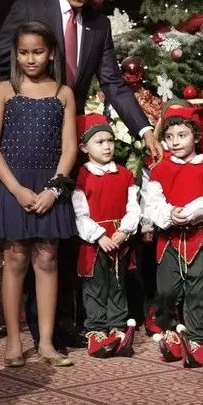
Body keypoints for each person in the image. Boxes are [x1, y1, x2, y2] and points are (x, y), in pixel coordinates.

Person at [0, 0, 162, 346]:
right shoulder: (29, 10)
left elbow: (113, 84)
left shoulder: (98, 24)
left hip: (67, 136)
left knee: (60, 232)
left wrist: (143, 129)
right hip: (24, 132)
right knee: (25, 238)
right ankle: (33, 331)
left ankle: (61, 326)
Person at [0, 22, 78, 367]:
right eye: (23, 52)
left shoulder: (63, 93)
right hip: (13, 184)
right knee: (15, 259)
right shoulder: (4, 90)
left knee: (46, 259)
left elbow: (69, 149)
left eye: (37, 51)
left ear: (51, 52)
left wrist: (53, 189)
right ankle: (13, 342)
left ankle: (47, 343)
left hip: (49, 186)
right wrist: (16, 189)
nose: (30, 58)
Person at [144, 101, 203, 368]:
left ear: (197, 136)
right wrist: (169, 215)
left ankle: (195, 339)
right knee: (167, 290)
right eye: (169, 137)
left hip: (200, 237)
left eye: (182, 135)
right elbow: (152, 203)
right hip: (169, 239)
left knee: (197, 290)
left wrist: (189, 212)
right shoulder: (160, 168)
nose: (175, 142)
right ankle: (170, 331)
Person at [72, 112, 141, 358]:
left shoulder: (125, 175)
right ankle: (96, 328)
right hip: (95, 242)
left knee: (118, 284)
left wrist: (123, 231)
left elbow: (134, 207)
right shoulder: (82, 176)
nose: (107, 146)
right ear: (84, 147)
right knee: (95, 286)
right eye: (99, 142)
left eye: (110, 140)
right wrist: (100, 236)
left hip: (119, 240)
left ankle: (117, 326)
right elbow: (80, 213)